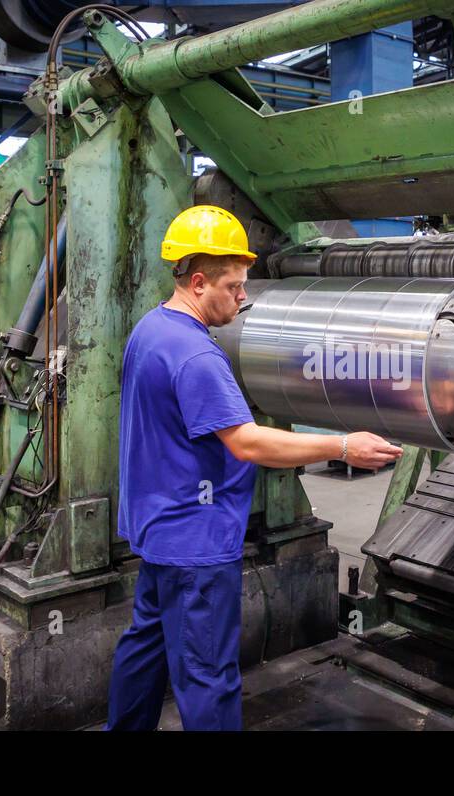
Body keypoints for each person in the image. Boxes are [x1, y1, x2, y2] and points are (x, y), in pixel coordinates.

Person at [105, 205, 403, 731]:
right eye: (235, 286)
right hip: (195, 541)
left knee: (146, 648)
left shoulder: (150, 329)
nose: (244, 297)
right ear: (199, 282)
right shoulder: (197, 356)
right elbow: (246, 443)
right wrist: (340, 446)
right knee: (207, 673)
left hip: (157, 529)